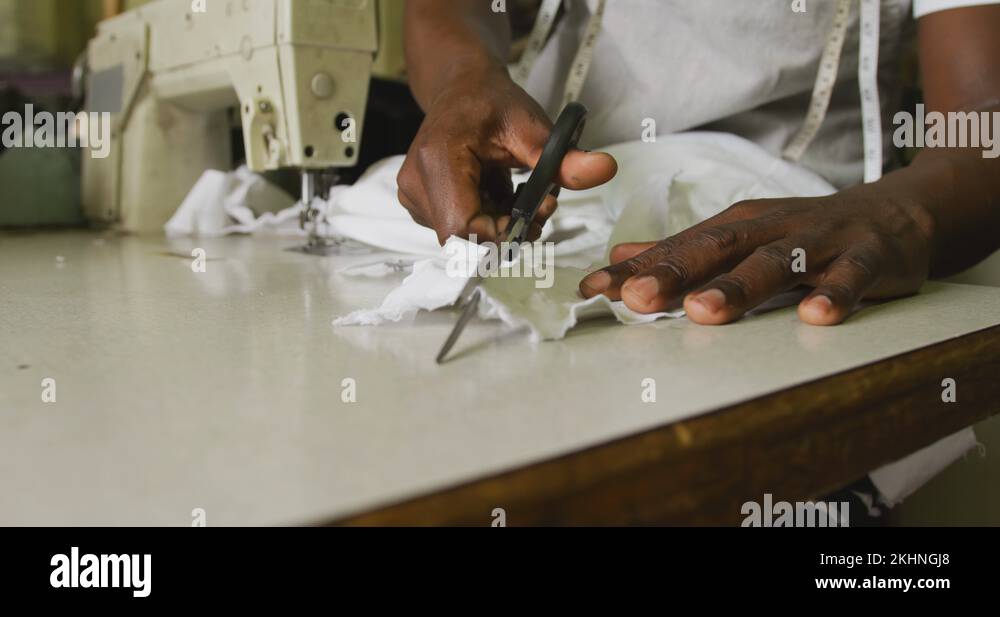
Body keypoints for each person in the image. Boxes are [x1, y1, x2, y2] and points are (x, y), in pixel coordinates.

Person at [397, 0, 1000, 326]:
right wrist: (464, 76)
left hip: (800, 218)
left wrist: (900, 212)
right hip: (558, 180)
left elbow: (982, 119)